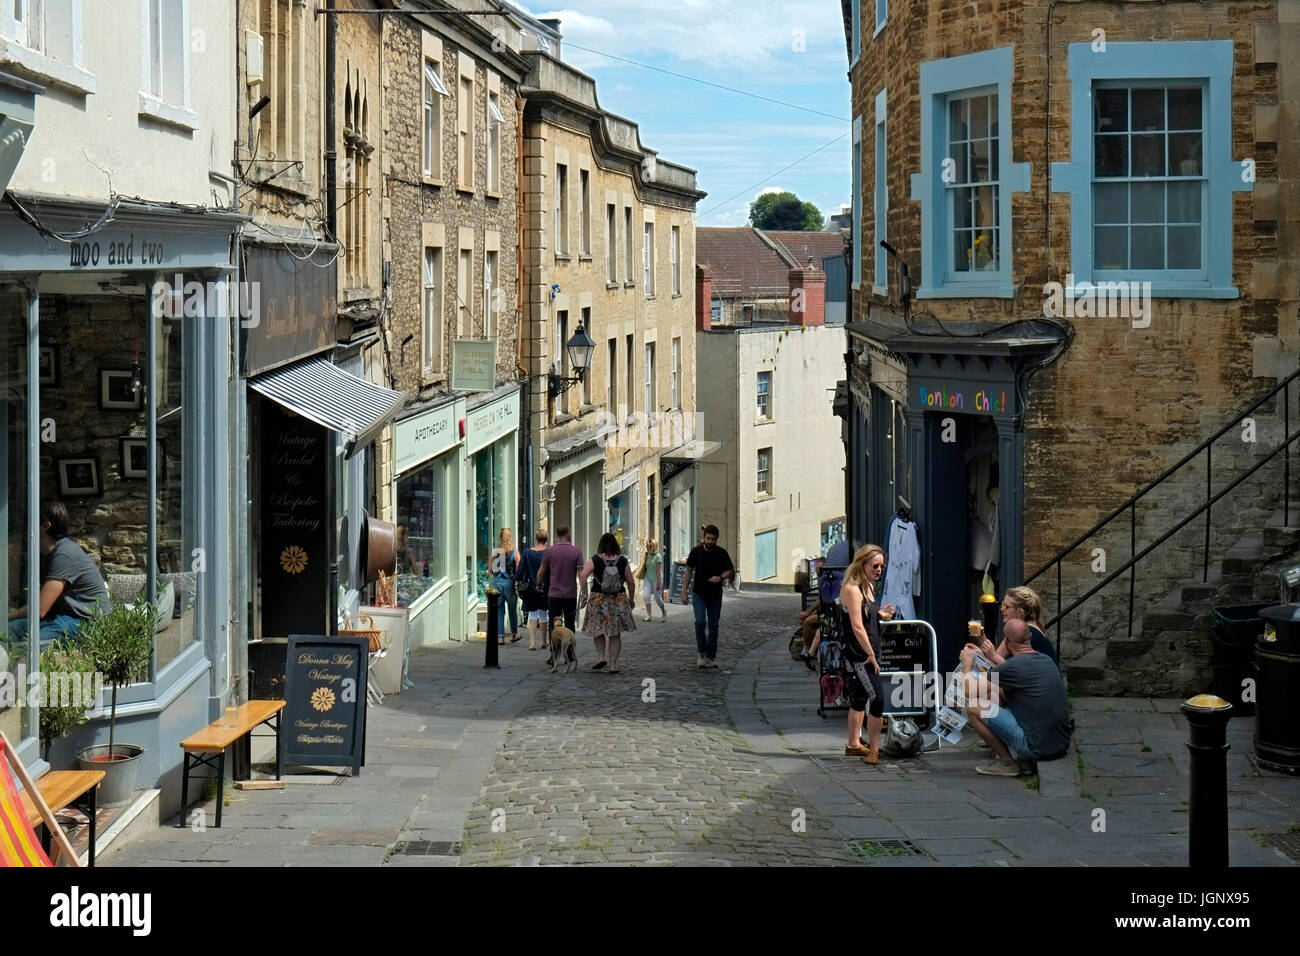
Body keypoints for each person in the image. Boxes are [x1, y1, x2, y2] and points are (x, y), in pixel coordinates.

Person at [960, 617, 1072, 776]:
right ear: (1030, 637)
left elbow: (969, 690)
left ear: (1006, 641)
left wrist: (967, 664)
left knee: (973, 706)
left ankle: (1006, 763)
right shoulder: (1045, 660)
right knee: (1000, 693)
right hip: (1060, 743)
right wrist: (987, 655)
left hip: (1035, 746)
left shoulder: (1013, 666)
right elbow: (1008, 673)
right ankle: (1024, 762)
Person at [6, 501, 108, 646]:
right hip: (60, 616)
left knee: (28, 646)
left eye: (27, 523)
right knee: (8, 631)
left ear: (45, 526)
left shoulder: (64, 554)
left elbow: (40, 609)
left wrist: (10, 615)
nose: (23, 529)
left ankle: (19, 668)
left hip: (84, 622)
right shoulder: (47, 554)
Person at [839, 544, 897, 764]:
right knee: (878, 698)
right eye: (875, 566)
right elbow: (856, 626)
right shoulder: (853, 589)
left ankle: (854, 744)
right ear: (862, 564)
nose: (879, 570)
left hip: (869, 650)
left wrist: (880, 614)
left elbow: (864, 616)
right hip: (861, 655)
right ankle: (874, 749)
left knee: (860, 697)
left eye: (882, 566)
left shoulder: (868, 587)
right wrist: (871, 654)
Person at [578, 533, 637, 673]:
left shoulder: (595, 560)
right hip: (618, 600)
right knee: (615, 634)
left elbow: (583, 576)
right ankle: (613, 665)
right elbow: (631, 582)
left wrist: (585, 593)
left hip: (598, 599)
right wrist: (631, 599)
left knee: (597, 629)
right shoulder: (623, 561)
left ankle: (600, 657)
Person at [681, 524, 735, 669]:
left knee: (713, 625)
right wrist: (684, 591)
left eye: (713, 539)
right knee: (699, 622)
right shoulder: (696, 552)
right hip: (699, 593)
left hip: (715, 595)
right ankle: (701, 652)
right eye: (708, 538)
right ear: (704, 537)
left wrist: (720, 577)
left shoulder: (721, 553)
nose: (710, 541)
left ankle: (711, 656)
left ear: (717, 539)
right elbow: (688, 571)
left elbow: (730, 570)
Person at [972, 585, 1058, 664]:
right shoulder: (1032, 628)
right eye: (1002, 605)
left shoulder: (1019, 633)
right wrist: (982, 638)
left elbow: (995, 663)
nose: (1002, 609)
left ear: (1020, 612)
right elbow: (995, 660)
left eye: (1006, 606)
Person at [537, 526, 584, 654]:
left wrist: (538, 585)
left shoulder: (550, 551)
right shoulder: (577, 551)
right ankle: (570, 652)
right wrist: (584, 591)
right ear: (568, 533)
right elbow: (581, 574)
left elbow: (541, 572)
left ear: (557, 535)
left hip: (554, 594)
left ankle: (554, 654)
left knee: (553, 625)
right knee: (570, 624)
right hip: (570, 594)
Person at [517, 529, 550, 651]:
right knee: (543, 614)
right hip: (545, 587)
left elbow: (521, 570)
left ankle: (532, 643)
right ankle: (544, 641)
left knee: (532, 614)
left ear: (536, 538)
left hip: (531, 587)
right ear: (546, 539)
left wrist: (517, 581)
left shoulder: (527, 553)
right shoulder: (548, 553)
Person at [489, 528, 521, 644]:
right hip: (510, 583)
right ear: (510, 537)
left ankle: (500, 637)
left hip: (497, 582)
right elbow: (519, 570)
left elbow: (490, 570)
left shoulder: (495, 552)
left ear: (500, 537)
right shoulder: (515, 552)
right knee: (512, 610)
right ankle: (514, 634)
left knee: (499, 610)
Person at [636, 538, 665, 622]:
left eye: (647, 546)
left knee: (657, 598)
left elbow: (659, 571)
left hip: (657, 578)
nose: (646, 547)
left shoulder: (658, 556)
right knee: (646, 596)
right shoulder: (647, 554)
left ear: (652, 546)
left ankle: (663, 610)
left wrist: (658, 583)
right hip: (648, 577)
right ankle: (649, 616)